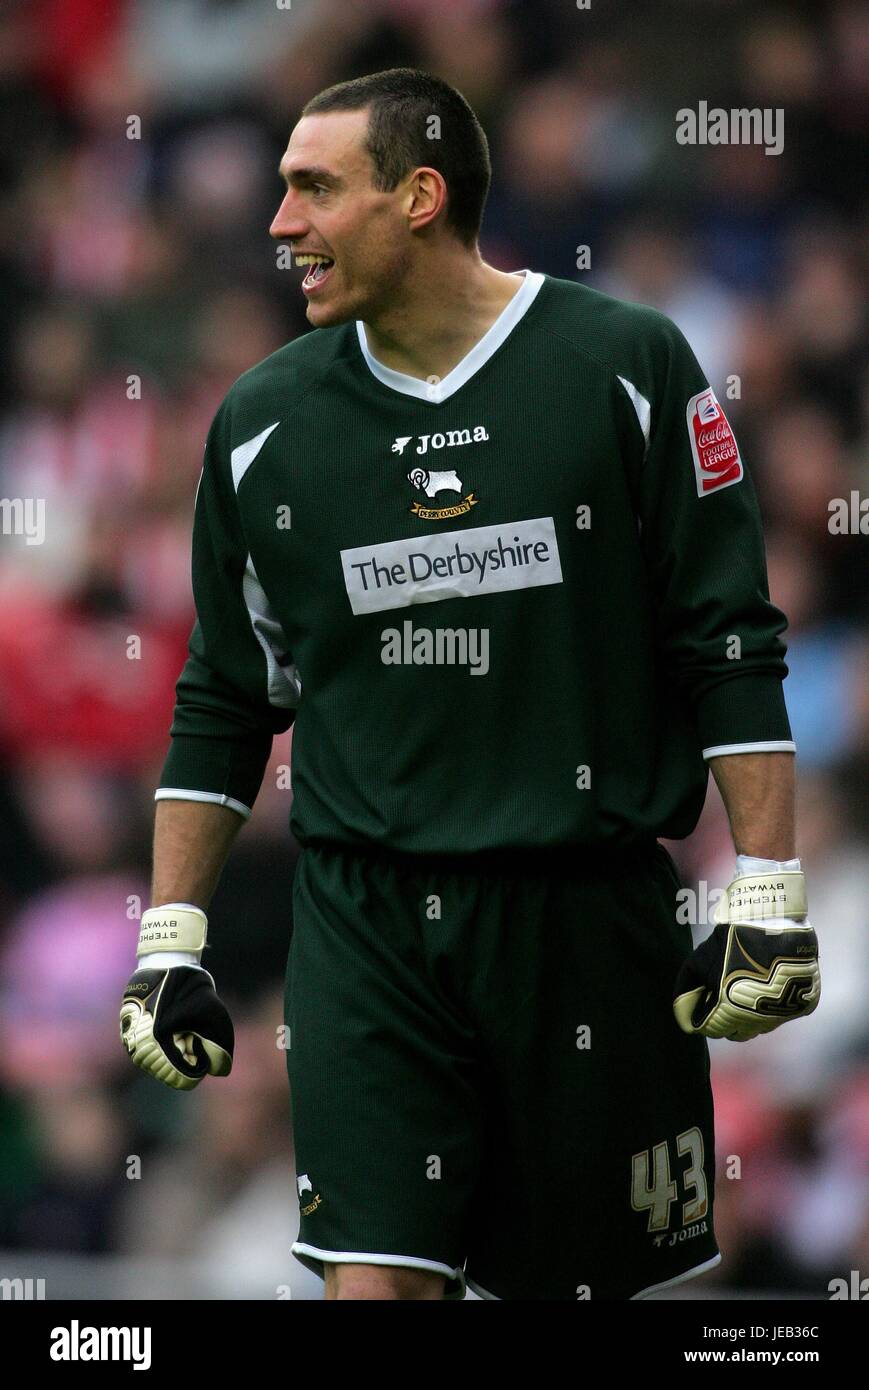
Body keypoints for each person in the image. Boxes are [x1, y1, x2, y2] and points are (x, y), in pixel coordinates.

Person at [119, 69, 820, 1301]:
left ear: (420, 196)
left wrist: (764, 887)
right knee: (371, 1282)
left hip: (585, 918)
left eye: (314, 188)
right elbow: (227, 695)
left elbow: (725, 638)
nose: (280, 225)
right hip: (365, 921)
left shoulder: (628, 365)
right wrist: (170, 935)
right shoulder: (259, 426)